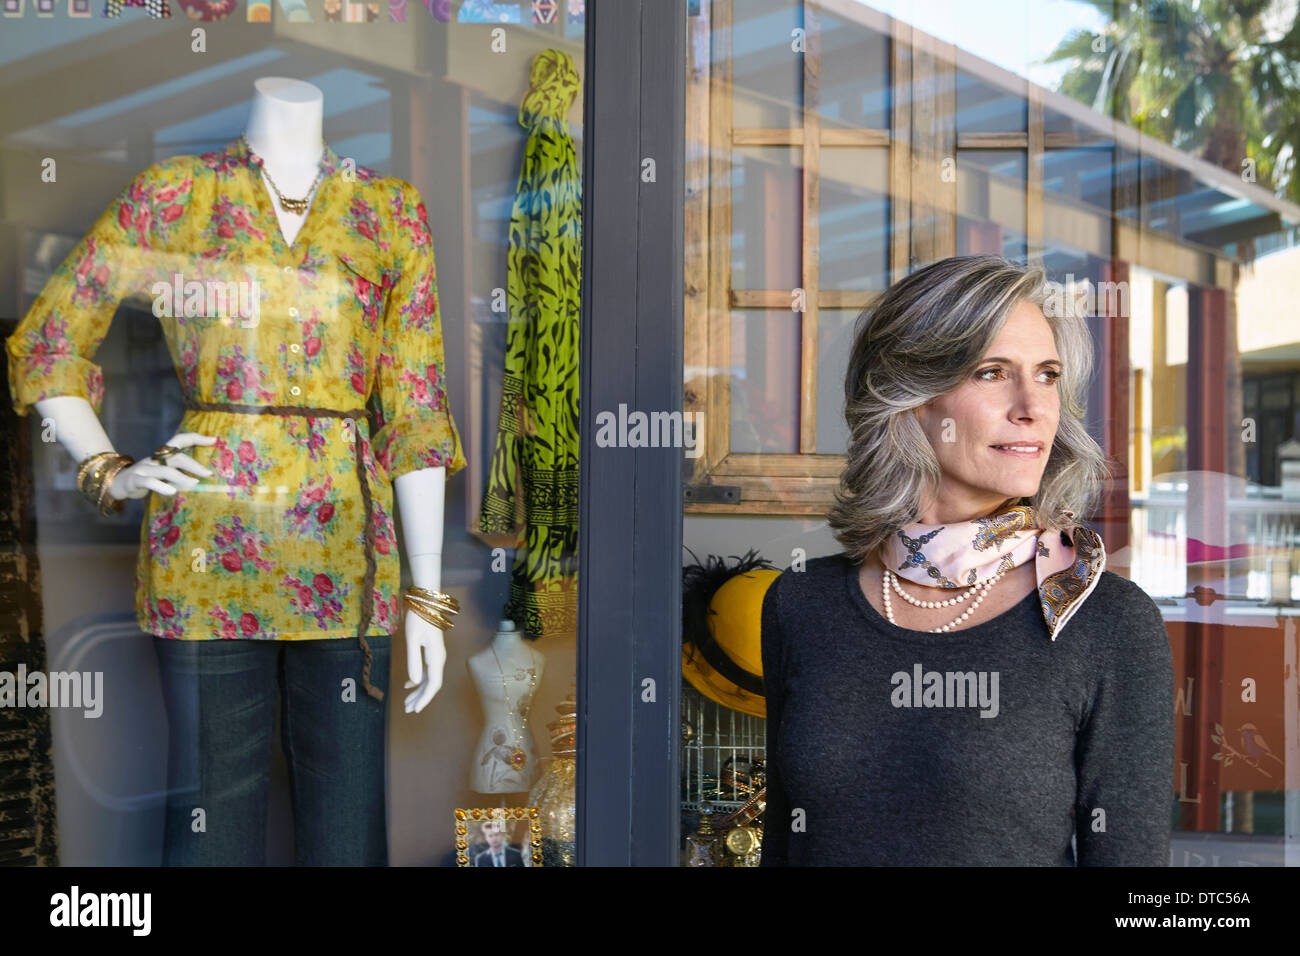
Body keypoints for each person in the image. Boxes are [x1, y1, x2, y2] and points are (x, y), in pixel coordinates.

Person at [759, 255, 1174, 866]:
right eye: (991, 372)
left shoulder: (1108, 622)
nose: (1033, 406)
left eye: (1048, 374)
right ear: (909, 397)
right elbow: (784, 847)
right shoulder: (801, 602)